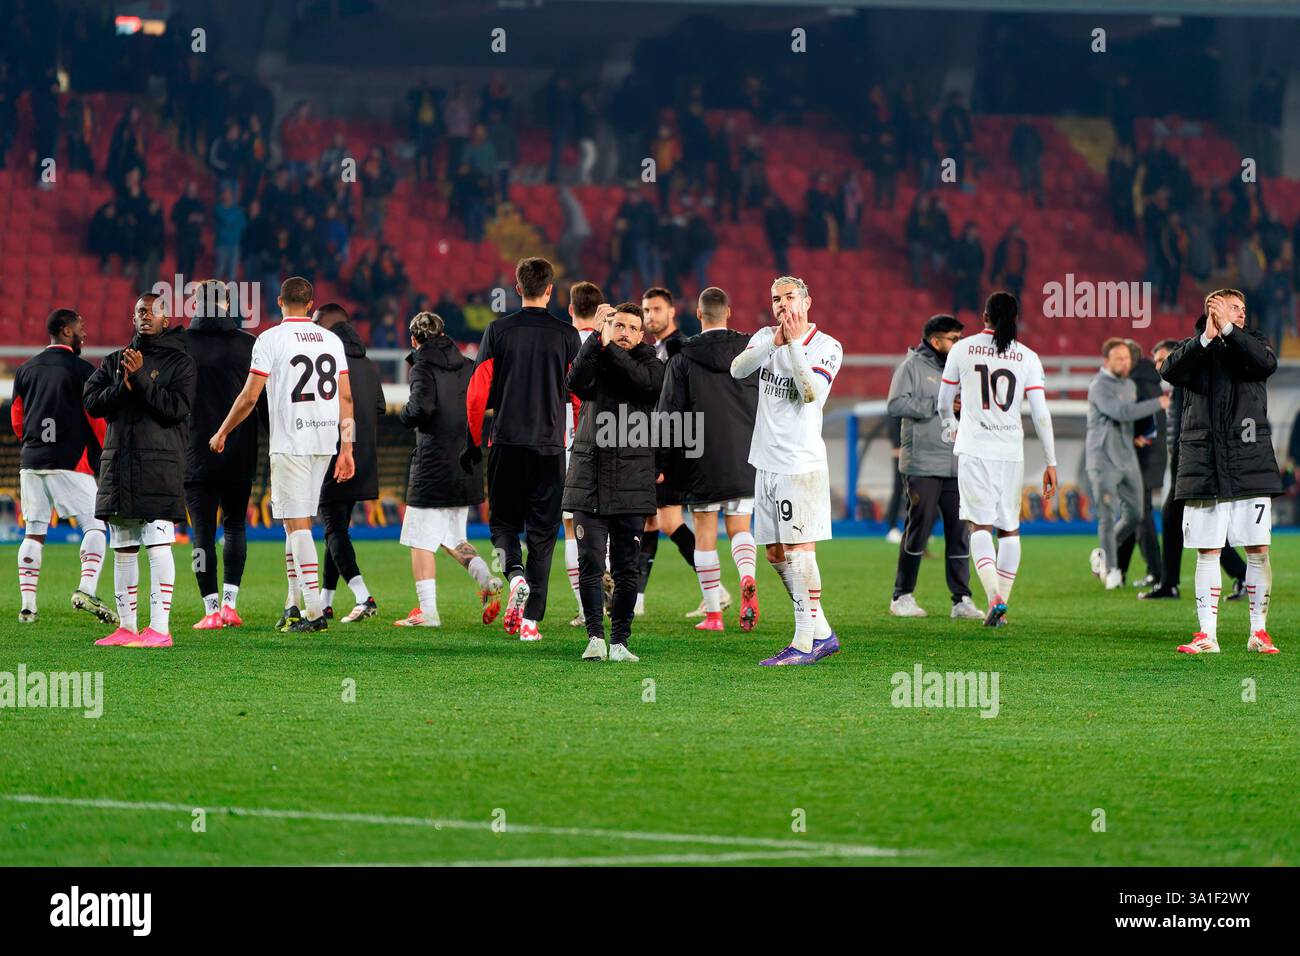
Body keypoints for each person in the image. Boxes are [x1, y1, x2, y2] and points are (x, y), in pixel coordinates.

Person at [209, 277, 356, 633]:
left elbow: (248, 397)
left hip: (290, 441)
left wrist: (222, 431)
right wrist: (347, 447)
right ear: (310, 304)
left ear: (279, 301)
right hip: (324, 441)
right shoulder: (332, 340)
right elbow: (346, 399)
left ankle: (313, 611)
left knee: (297, 525)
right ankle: (292, 605)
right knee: (297, 523)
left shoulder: (270, 340)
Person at [465, 257, 582, 642]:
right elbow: (579, 395)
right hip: (550, 448)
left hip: (507, 443)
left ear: (518, 288)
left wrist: (474, 439)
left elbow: (478, 391)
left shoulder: (498, 331)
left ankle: (514, 575)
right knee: (544, 534)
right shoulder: (567, 336)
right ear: (550, 289)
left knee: (502, 524)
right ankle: (531, 622)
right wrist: (577, 438)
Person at [1159, 289, 1281, 655]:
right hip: (1204, 464)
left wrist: (1229, 330)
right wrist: (1208, 337)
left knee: (1258, 548)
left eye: (1244, 309)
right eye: (1233, 308)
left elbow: (1266, 363)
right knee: (1207, 550)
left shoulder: (1254, 344)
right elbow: (1170, 370)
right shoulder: (1193, 349)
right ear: (1212, 309)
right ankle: (1206, 635)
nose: (1242, 314)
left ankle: (1258, 632)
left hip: (1249, 462)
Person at [730, 276, 843, 666]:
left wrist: (793, 345)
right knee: (776, 553)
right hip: (766, 462)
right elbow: (737, 370)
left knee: (799, 552)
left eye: (790, 297)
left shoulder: (828, 347)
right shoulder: (765, 337)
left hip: (800, 465)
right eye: (776, 299)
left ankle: (804, 642)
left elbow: (810, 391)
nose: (782, 305)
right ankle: (823, 633)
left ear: (807, 301)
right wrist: (774, 343)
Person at [937, 292, 1058, 627]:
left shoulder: (962, 349)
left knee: (979, 525)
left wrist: (951, 425)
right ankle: (1002, 606)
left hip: (975, 447)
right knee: (1010, 528)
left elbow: (944, 402)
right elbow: (1041, 414)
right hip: (1010, 451)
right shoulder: (1028, 357)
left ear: (984, 315)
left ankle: (993, 597)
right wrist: (1051, 462)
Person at [83, 294, 197, 648]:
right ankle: (128, 627)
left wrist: (142, 380)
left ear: (167, 318)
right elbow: (91, 401)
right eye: (140, 311)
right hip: (119, 464)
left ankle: (160, 628)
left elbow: (176, 409)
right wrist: (124, 386)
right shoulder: (115, 360)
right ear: (133, 318)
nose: (146, 315)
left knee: (158, 543)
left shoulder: (182, 363)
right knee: (124, 546)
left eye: (153, 311)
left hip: (160, 465)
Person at [656, 287, 761, 633]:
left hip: (700, 458)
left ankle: (714, 615)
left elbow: (669, 416)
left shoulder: (682, 358)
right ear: (728, 312)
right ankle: (747, 576)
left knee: (704, 534)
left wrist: (662, 465)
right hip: (745, 455)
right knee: (740, 528)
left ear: (698, 315)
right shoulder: (751, 352)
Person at [565, 302, 664, 662]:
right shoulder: (596, 355)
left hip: (631, 480)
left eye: (630, 327)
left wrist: (606, 345)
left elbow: (644, 384)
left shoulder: (652, 365)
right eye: (617, 325)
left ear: (641, 334)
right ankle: (594, 637)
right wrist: (594, 338)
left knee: (626, 568)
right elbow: (573, 381)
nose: (623, 332)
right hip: (589, 476)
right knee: (590, 563)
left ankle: (620, 641)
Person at [394, 312, 502, 627]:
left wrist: (405, 414)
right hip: (465, 463)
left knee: (420, 539)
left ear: (415, 340)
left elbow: (421, 408)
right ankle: (486, 579)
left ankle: (428, 612)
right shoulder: (467, 365)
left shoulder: (422, 367)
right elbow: (485, 401)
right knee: (453, 536)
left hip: (433, 465)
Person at [11, 309, 114, 625]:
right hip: (69, 461)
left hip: (31, 461)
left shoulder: (25, 370)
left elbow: (18, 419)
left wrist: (33, 445)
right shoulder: (83, 370)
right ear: (67, 330)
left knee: (34, 531)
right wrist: (107, 452)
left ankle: (28, 607)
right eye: (81, 328)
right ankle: (86, 588)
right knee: (96, 526)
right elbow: (96, 418)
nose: (85, 334)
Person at [887, 314, 982, 620]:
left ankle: (962, 600)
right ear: (935, 340)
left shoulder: (962, 368)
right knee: (918, 531)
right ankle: (901, 596)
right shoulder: (911, 366)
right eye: (953, 339)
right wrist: (938, 404)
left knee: (959, 534)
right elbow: (895, 404)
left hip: (956, 462)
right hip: (923, 464)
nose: (958, 344)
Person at [1140, 338, 1250, 601]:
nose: (1158, 365)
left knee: (1180, 519)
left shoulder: (1186, 383)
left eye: (1162, 358)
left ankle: (1171, 584)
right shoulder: (1178, 386)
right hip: (1184, 462)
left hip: (1191, 463)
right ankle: (1240, 576)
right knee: (1194, 523)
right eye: (1156, 360)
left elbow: (1187, 427)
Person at [184, 280, 266, 630]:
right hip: (239, 449)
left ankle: (211, 609)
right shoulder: (250, 344)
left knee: (202, 531)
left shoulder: (181, 344)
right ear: (228, 302)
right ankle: (231, 604)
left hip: (194, 450)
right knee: (234, 525)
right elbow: (260, 400)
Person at [315, 303, 385, 623]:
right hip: (364, 459)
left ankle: (362, 595)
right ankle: (325, 601)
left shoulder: (330, 363)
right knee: (338, 528)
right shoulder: (369, 365)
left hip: (336, 455)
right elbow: (381, 409)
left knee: (333, 527)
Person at [1085, 338, 1169, 589]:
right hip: (1103, 459)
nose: (1124, 362)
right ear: (1106, 361)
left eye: (1126, 358)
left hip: (1128, 457)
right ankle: (1111, 571)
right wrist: (1158, 403)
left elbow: (1130, 418)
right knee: (1108, 517)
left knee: (1135, 514)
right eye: (1118, 358)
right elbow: (1120, 412)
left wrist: (1142, 434)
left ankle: (1103, 553)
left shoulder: (1131, 385)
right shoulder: (1098, 386)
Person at [561, 281, 604, 627]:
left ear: (571, 309)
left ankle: (585, 606)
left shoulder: (563, 342)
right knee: (608, 521)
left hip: (570, 443)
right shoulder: (609, 342)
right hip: (607, 439)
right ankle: (617, 591)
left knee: (572, 525)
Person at [1115, 340, 1165, 588]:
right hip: (1151, 456)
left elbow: (1141, 422)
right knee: (1134, 512)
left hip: (1140, 457)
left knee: (1139, 514)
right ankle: (1119, 570)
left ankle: (1157, 572)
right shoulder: (1149, 381)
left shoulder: (1135, 384)